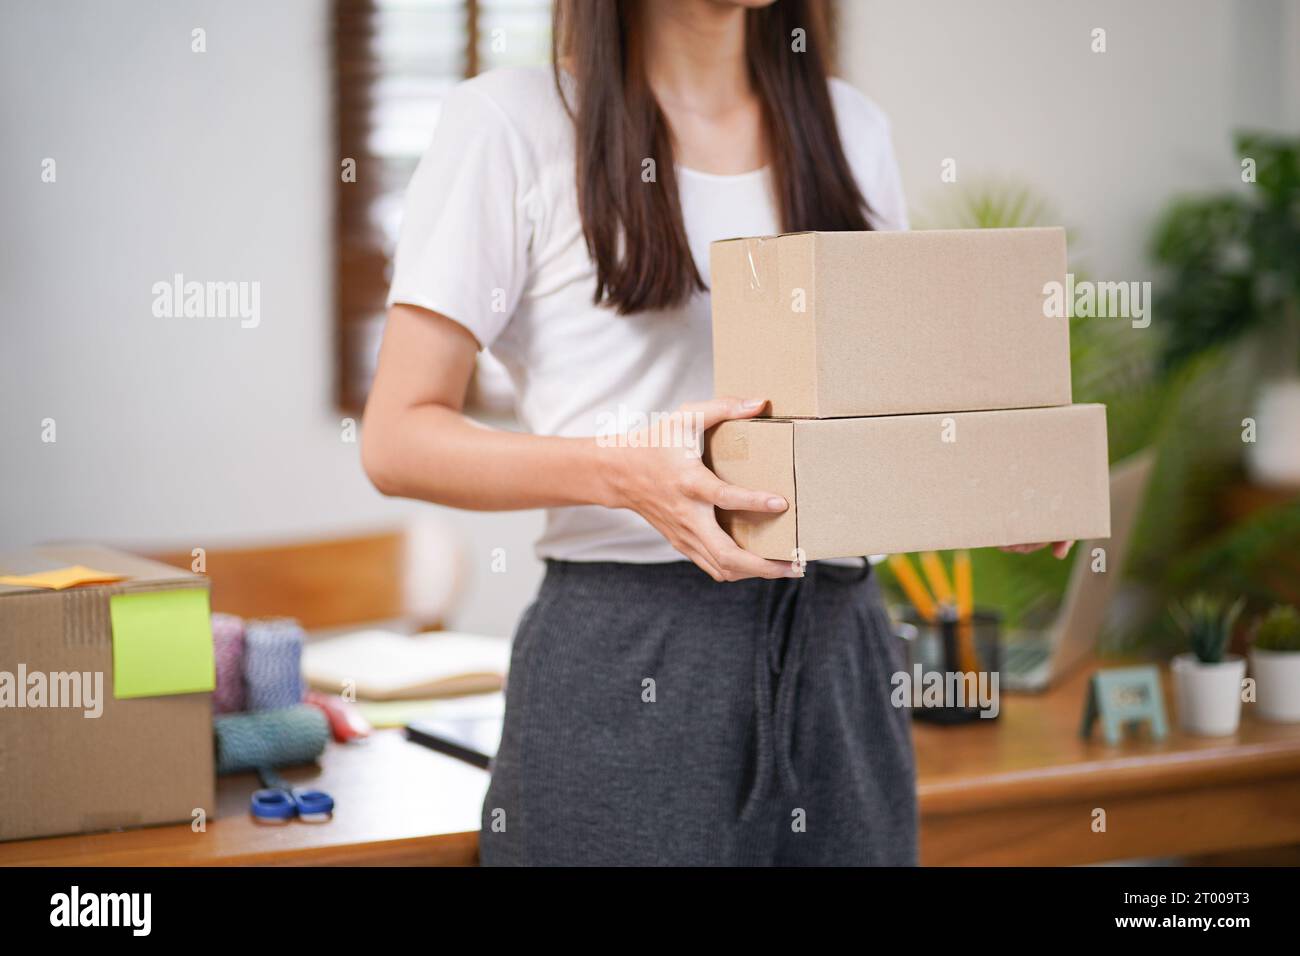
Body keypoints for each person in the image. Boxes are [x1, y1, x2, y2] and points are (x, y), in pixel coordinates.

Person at [362, 0, 1069, 865]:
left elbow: (880, 412)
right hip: (631, 652)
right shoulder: (511, 123)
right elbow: (396, 437)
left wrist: (989, 486)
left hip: (841, 650)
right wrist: (622, 475)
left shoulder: (850, 127)